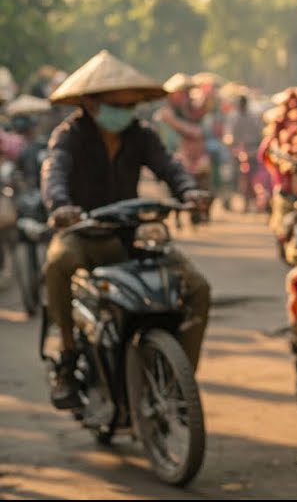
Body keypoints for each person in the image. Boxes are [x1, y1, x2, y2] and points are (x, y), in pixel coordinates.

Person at [41, 51, 212, 409]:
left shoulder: (142, 136)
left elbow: (169, 167)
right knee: (58, 264)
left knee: (196, 288)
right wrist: (61, 207)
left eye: (130, 105)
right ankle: (68, 356)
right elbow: (54, 172)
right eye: (117, 105)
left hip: (129, 235)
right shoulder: (69, 136)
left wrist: (189, 191)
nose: (125, 111)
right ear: (91, 103)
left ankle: (176, 380)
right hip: (82, 233)